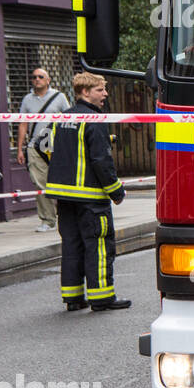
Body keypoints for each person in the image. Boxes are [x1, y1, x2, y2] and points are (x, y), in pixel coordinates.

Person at [44, 73, 130, 312]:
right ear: (85, 92)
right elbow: (101, 161)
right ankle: (102, 298)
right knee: (99, 246)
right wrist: (116, 191)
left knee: (71, 245)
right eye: (100, 90)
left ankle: (73, 298)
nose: (105, 94)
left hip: (64, 197)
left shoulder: (62, 119)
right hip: (91, 198)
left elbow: (43, 146)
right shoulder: (94, 119)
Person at [15, 67, 70, 232]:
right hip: (34, 147)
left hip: (56, 147)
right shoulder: (27, 100)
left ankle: (67, 217)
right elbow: (23, 124)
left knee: (62, 182)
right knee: (40, 184)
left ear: (48, 80)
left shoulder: (59, 97)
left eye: (40, 77)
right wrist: (19, 149)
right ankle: (48, 220)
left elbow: (69, 119)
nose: (36, 79)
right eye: (34, 77)